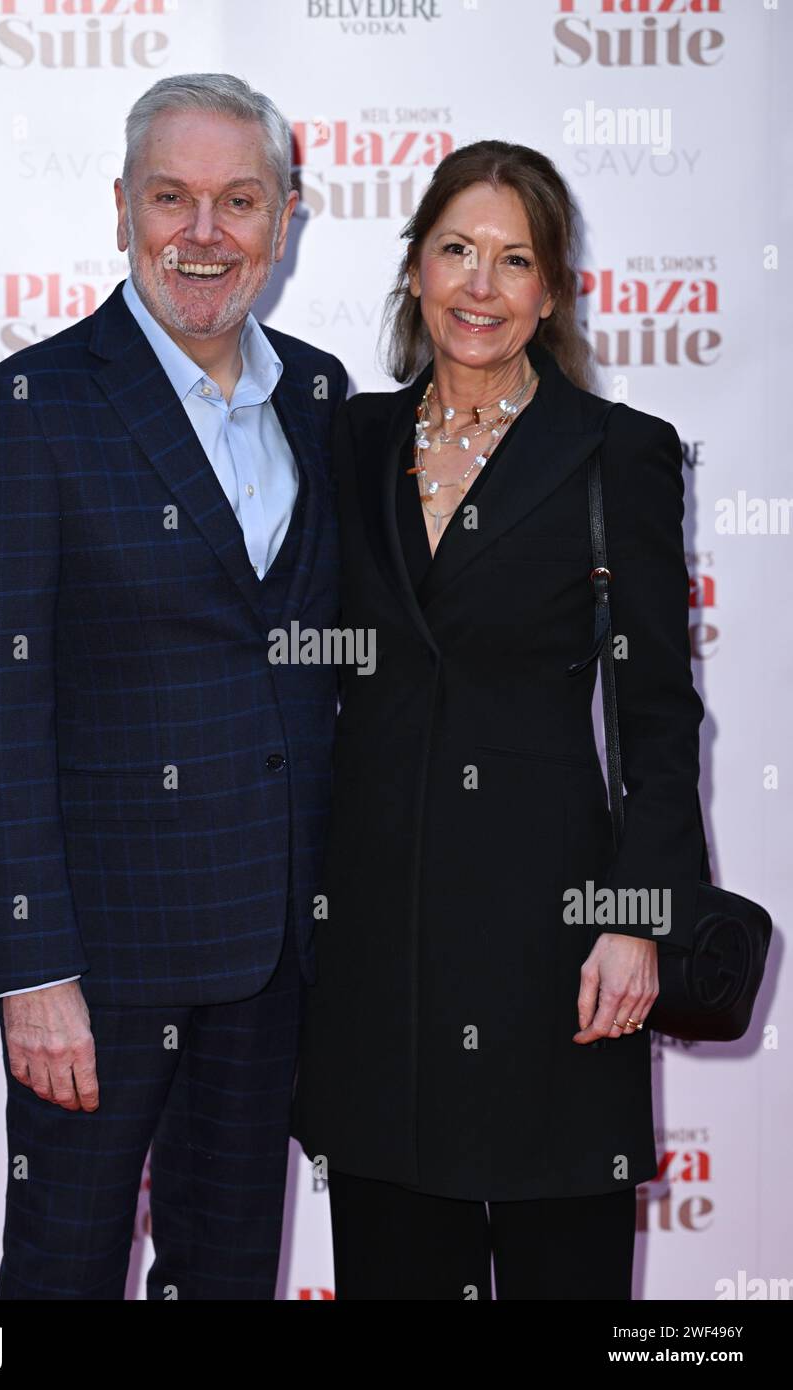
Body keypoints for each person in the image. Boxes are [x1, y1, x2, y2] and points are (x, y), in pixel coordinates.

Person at [0, 73, 346, 1300]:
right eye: (172, 198)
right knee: (60, 1273)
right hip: (98, 972)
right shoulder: (29, 411)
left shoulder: (325, 400)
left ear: (284, 219)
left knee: (226, 1276)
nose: (204, 234)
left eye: (238, 200)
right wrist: (31, 972)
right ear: (122, 208)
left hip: (274, 957)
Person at [291, 140, 706, 1301]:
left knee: (562, 1267)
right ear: (415, 267)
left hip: (555, 940)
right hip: (380, 939)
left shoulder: (614, 454)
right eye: (457, 251)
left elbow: (658, 713)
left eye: (514, 260)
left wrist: (637, 917)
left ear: (553, 288)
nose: (481, 286)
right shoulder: (348, 441)